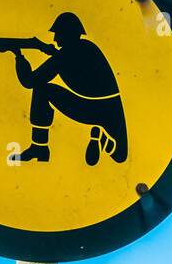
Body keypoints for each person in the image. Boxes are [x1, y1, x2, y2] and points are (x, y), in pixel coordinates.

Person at [8, 12, 128, 167]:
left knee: (42, 89)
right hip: (111, 108)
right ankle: (102, 138)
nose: (55, 39)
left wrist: (18, 56)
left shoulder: (63, 56)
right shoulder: (89, 47)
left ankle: (39, 147)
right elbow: (77, 69)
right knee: (119, 155)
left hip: (89, 108)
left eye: (58, 34)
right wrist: (51, 52)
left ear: (67, 34)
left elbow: (29, 81)